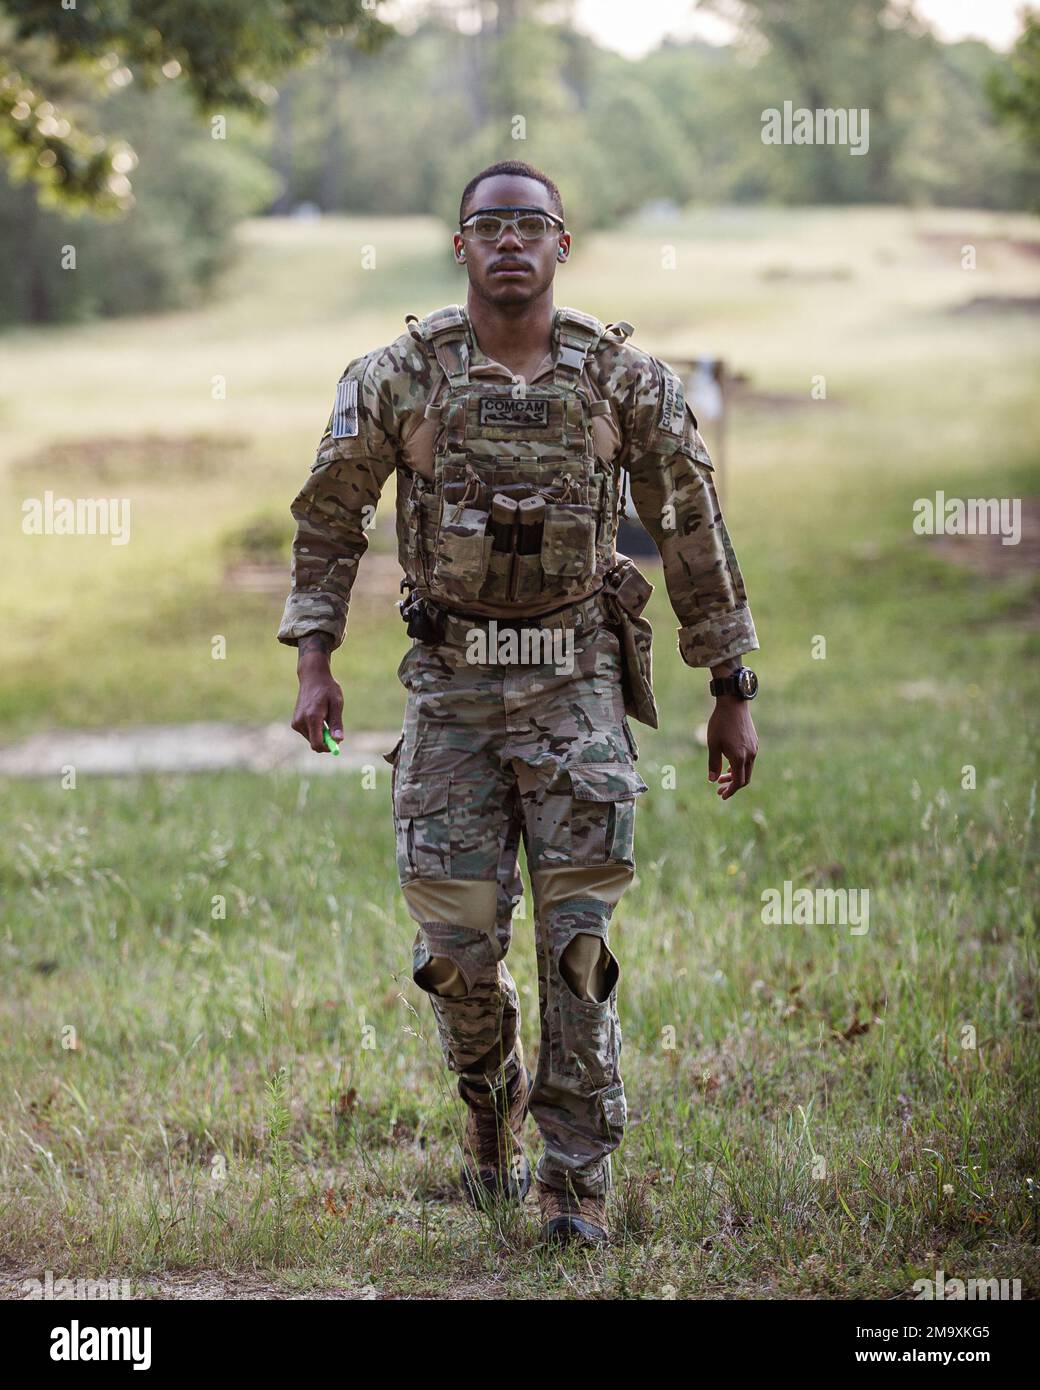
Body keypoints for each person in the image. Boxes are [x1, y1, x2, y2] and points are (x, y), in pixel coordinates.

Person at [278, 160, 760, 1245]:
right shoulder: (396, 377)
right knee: (453, 949)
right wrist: (313, 658)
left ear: (561, 243)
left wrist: (728, 682)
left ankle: (573, 1179)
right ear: (459, 247)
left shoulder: (621, 381)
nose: (508, 242)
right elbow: (329, 517)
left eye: (528, 225)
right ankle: (487, 1098)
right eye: (487, 226)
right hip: (448, 687)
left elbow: (690, 526)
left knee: (578, 943)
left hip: (573, 680)